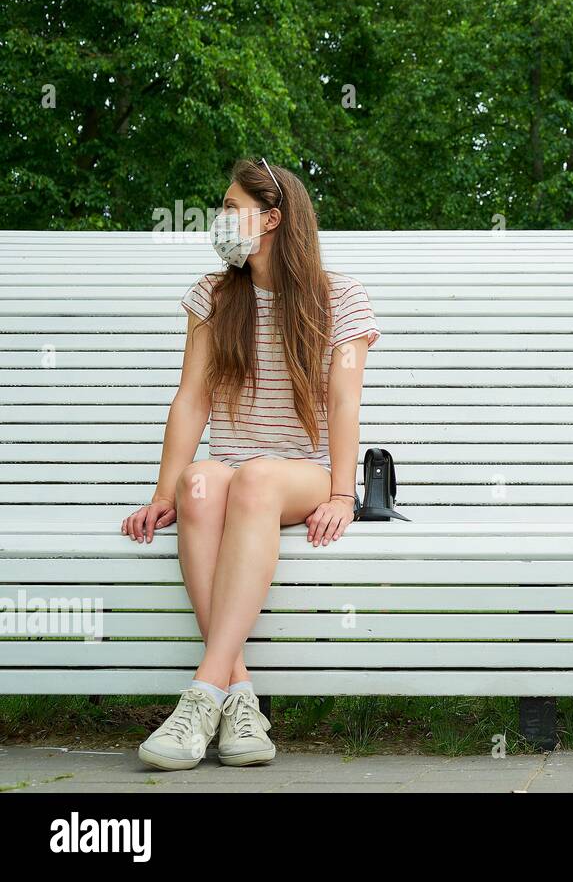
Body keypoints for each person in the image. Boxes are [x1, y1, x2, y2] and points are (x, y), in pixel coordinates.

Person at [121, 158, 380, 770]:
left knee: (258, 477)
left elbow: (344, 400)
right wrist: (165, 491)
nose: (219, 220)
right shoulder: (214, 296)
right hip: (233, 470)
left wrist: (343, 495)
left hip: (301, 474)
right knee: (203, 484)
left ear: (271, 218)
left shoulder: (338, 296)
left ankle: (200, 694)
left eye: (231, 208)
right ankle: (237, 699)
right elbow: (192, 398)